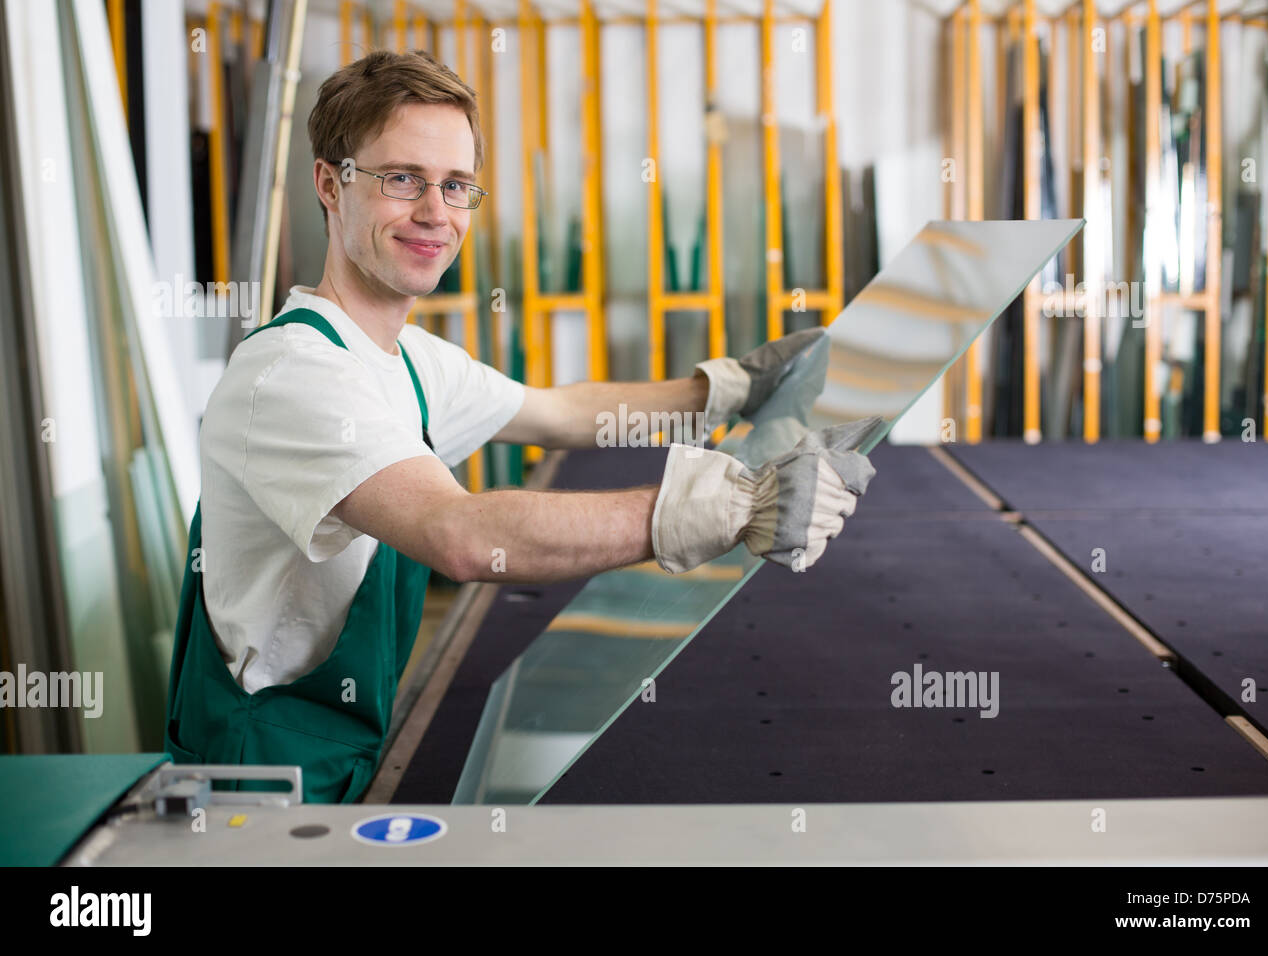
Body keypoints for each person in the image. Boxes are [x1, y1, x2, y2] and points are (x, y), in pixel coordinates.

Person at [164, 50, 877, 803]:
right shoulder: (293, 375)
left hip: (343, 754)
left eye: (456, 185)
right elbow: (459, 535)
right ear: (330, 185)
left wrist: (727, 389)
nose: (436, 212)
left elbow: (560, 412)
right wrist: (735, 506)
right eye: (402, 179)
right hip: (261, 788)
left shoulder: (407, 359)